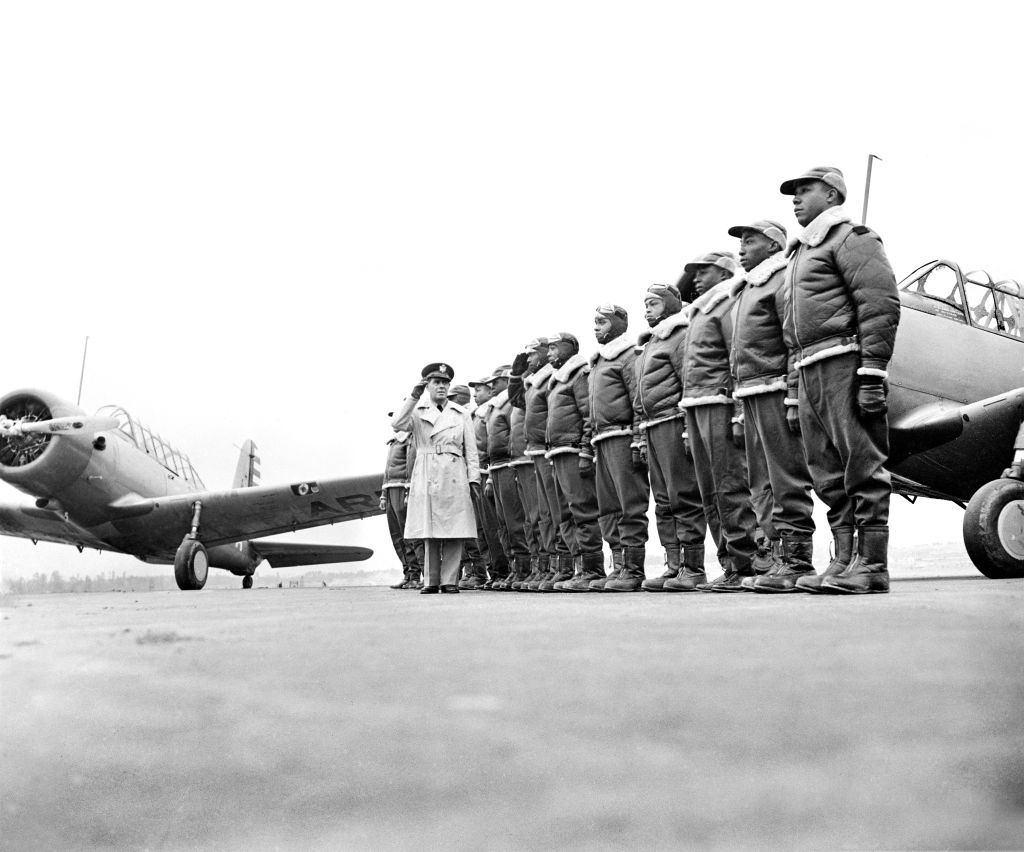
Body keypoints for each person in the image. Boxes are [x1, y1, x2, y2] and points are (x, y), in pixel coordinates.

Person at [780, 166, 900, 593]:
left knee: (862, 463)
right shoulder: (799, 255)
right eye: (793, 193)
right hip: (809, 370)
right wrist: (794, 391)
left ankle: (873, 565)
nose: (795, 199)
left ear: (832, 195)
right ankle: (844, 560)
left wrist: (871, 374)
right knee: (826, 473)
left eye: (805, 190)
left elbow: (879, 304)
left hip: (844, 363)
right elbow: (791, 334)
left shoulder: (852, 238)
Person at [726, 220, 818, 592]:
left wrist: (793, 395)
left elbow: (794, 341)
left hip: (774, 390)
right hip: (750, 393)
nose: (741, 249)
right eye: (741, 242)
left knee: (786, 477)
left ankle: (797, 560)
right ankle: (777, 556)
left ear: (773, 246)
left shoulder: (781, 280)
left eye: (750, 241)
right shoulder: (746, 290)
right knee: (760, 482)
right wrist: (738, 407)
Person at [677, 251, 759, 591]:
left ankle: (747, 563)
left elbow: (737, 357)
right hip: (696, 404)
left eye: (704, 271)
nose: (696, 279)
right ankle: (729, 563)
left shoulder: (728, 304)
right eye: (694, 273)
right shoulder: (699, 312)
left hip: (720, 401)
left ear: (724, 272)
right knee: (710, 491)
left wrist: (738, 411)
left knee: (730, 485)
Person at [634, 283, 712, 592]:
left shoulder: (680, 336)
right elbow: (640, 397)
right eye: (645, 304)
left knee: (683, 495)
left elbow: (688, 381)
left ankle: (693, 568)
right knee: (664, 501)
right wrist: (642, 436)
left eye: (653, 303)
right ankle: (674, 564)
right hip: (652, 426)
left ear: (669, 305)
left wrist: (687, 428)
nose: (647, 309)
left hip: (672, 421)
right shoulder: (651, 344)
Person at [392, 363, 481, 594]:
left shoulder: (461, 413)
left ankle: (450, 580)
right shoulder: (417, 410)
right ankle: (431, 580)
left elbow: (471, 450)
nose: (441, 387)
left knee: (455, 527)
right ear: (427, 385)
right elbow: (397, 423)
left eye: (445, 383)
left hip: (454, 472)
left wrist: (474, 479)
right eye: (436, 382)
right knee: (429, 528)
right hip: (427, 469)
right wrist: (413, 396)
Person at [587, 304, 650, 591]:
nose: (596, 327)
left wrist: (638, 440)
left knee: (629, 504)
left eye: (602, 322)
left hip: (623, 437)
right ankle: (620, 565)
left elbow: (638, 401)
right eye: (595, 322)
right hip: (601, 440)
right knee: (608, 508)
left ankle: (634, 569)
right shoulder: (598, 363)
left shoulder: (627, 357)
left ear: (617, 324)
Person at [510, 337, 573, 591]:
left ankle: (563, 566)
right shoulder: (535, 381)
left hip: (547, 450)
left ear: (545, 353)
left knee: (555, 510)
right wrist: (515, 377)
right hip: (536, 450)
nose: (529, 359)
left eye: (532, 354)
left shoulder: (550, 378)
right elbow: (518, 400)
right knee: (544, 514)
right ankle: (549, 566)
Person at [545, 332, 606, 591]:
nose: (549, 353)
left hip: (572, 451)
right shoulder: (558, 380)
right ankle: (580, 567)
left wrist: (584, 451)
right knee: (565, 515)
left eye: (554, 348)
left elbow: (587, 415)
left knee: (583, 511)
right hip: (558, 452)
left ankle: (593, 569)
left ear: (568, 348)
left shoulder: (579, 374)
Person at [481, 366, 534, 590]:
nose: (492, 385)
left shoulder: (511, 403)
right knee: (503, 523)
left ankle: (524, 568)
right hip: (497, 466)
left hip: (509, 465)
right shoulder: (495, 407)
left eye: (497, 380)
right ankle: (514, 567)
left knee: (515, 521)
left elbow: (515, 435)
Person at [381, 416, 423, 589]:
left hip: (401, 488)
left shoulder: (410, 439)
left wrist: (407, 490)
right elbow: (387, 471)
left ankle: (415, 574)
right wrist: (383, 495)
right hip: (391, 488)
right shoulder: (394, 442)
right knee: (396, 535)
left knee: (407, 533)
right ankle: (408, 573)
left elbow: (410, 467)